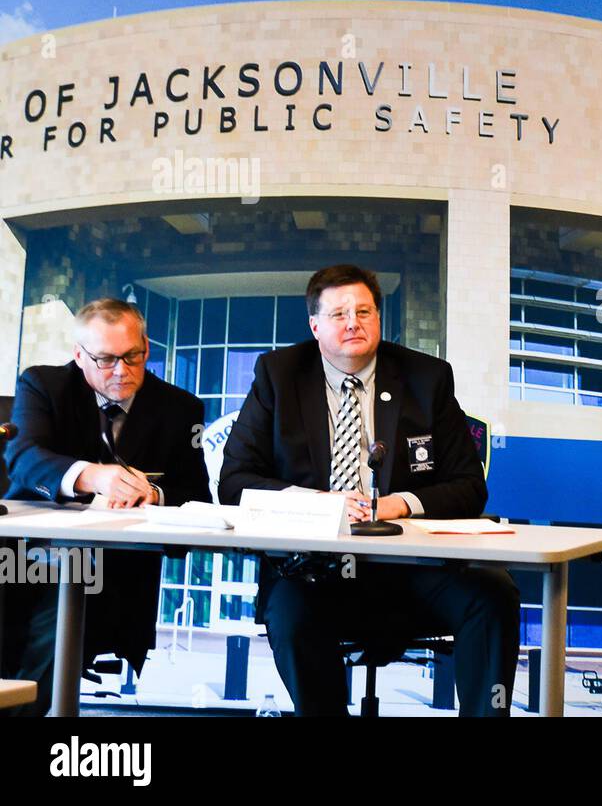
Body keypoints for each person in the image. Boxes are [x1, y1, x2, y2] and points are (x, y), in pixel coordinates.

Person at [218, 264, 520, 716]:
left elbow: (469, 487)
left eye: (364, 311)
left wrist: (400, 504)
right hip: (313, 572)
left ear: (378, 318)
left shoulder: (427, 378)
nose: (353, 323)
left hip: (414, 571)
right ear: (315, 325)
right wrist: (319, 503)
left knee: (493, 593)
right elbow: (234, 483)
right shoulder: (278, 375)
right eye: (338, 314)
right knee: (290, 615)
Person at [1, 299, 210, 716]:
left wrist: (153, 494)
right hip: (23, 556)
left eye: (133, 356)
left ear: (146, 348)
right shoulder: (43, 386)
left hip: (110, 570)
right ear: (79, 356)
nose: (121, 370)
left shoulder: (181, 408)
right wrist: (91, 476)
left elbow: (196, 494)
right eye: (106, 359)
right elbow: (23, 457)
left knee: (55, 628)